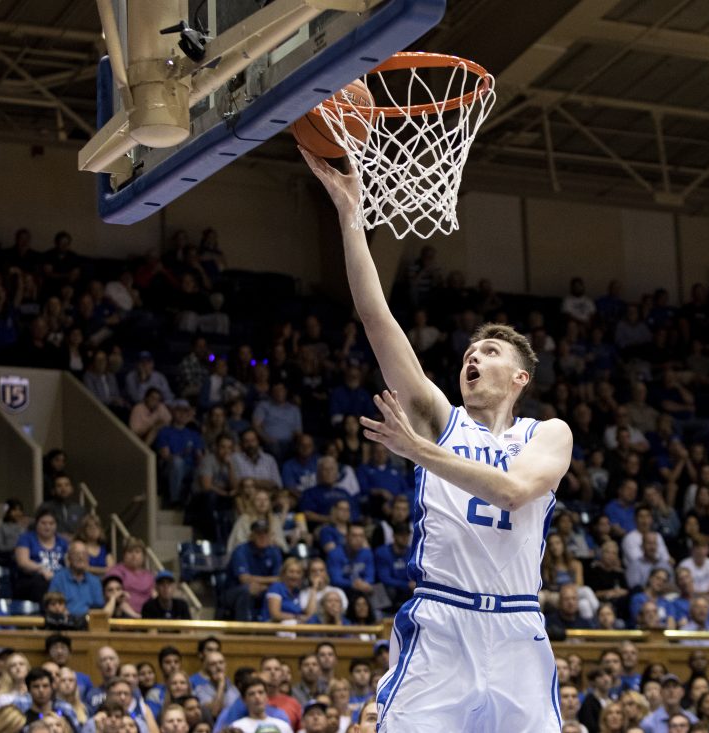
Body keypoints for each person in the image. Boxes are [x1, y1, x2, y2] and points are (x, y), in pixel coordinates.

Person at [306, 151, 572, 731]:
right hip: (441, 623)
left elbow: (513, 492)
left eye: (490, 352)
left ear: (520, 377)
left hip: (517, 631)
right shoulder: (438, 417)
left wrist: (419, 452)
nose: (473, 356)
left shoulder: (547, 434)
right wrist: (352, 216)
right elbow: (376, 319)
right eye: (471, 352)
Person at [14, 508, 69, 602]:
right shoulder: (26, 538)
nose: (47, 527)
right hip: (32, 580)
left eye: (51, 523)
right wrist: (41, 569)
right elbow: (23, 562)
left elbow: (69, 565)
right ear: (36, 524)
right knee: (41, 583)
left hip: (58, 579)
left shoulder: (63, 542)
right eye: (43, 523)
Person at [48, 542, 105, 618]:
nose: (81, 557)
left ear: (88, 558)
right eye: (76, 554)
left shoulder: (95, 581)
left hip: (89, 623)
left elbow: (99, 608)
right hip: (64, 622)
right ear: (69, 558)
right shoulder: (58, 578)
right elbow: (52, 604)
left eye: (84, 554)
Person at [228, 678, 293, 733]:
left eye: (261, 692)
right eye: (251, 694)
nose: (257, 697)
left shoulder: (283, 726)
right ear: (244, 700)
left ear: (267, 696)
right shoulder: (236, 727)